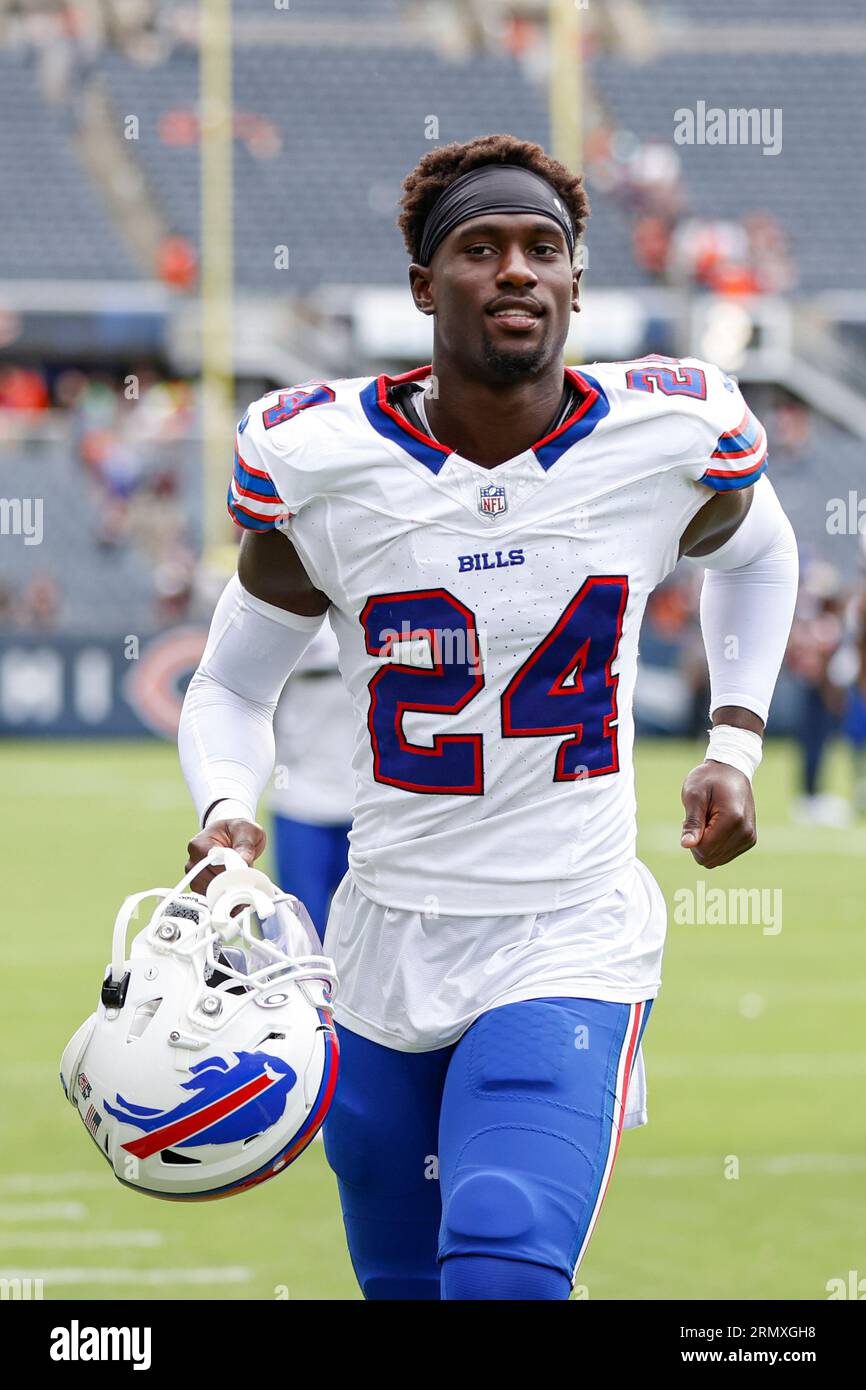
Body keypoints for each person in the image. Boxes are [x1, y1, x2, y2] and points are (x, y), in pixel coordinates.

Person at [178, 134, 798, 1301]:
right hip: (382, 937)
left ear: (575, 281)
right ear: (423, 286)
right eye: (479, 248)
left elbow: (761, 557)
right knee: (406, 1284)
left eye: (542, 249)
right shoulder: (323, 460)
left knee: (504, 1251)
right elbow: (228, 685)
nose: (516, 269)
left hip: (565, 928)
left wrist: (734, 739)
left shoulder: (659, 433)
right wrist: (223, 813)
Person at [268, 615, 353, 935]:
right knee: (297, 937)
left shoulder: (381, 612)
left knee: (374, 944)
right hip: (299, 801)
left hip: (369, 802)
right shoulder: (286, 616)